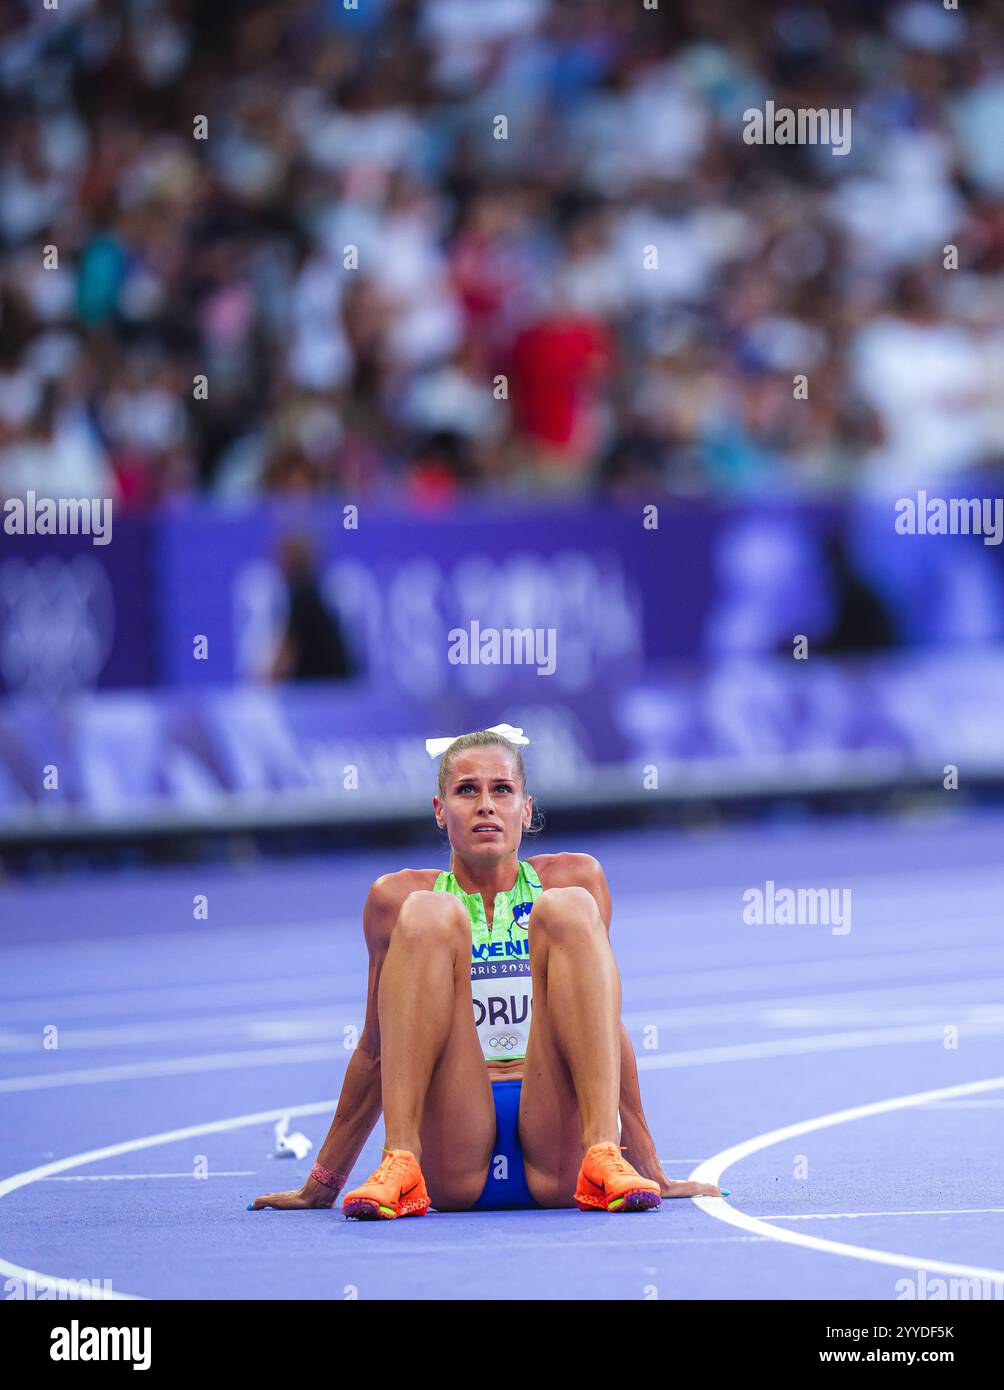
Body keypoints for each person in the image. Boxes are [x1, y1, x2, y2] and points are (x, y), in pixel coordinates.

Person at [250, 725, 725, 1217]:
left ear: (526, 808)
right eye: (465, 791)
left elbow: (606, 1028)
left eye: (501, 790)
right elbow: (375, 1048)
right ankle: (400, 1161)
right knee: (430, 912)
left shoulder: (576, 880)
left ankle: (605, 1154)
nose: (485, 805)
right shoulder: (394, 901)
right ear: (440, 810)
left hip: (560, 1139)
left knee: (567, 907)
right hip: (452, 1143)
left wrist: (650, 1167)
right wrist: (323, 1182)